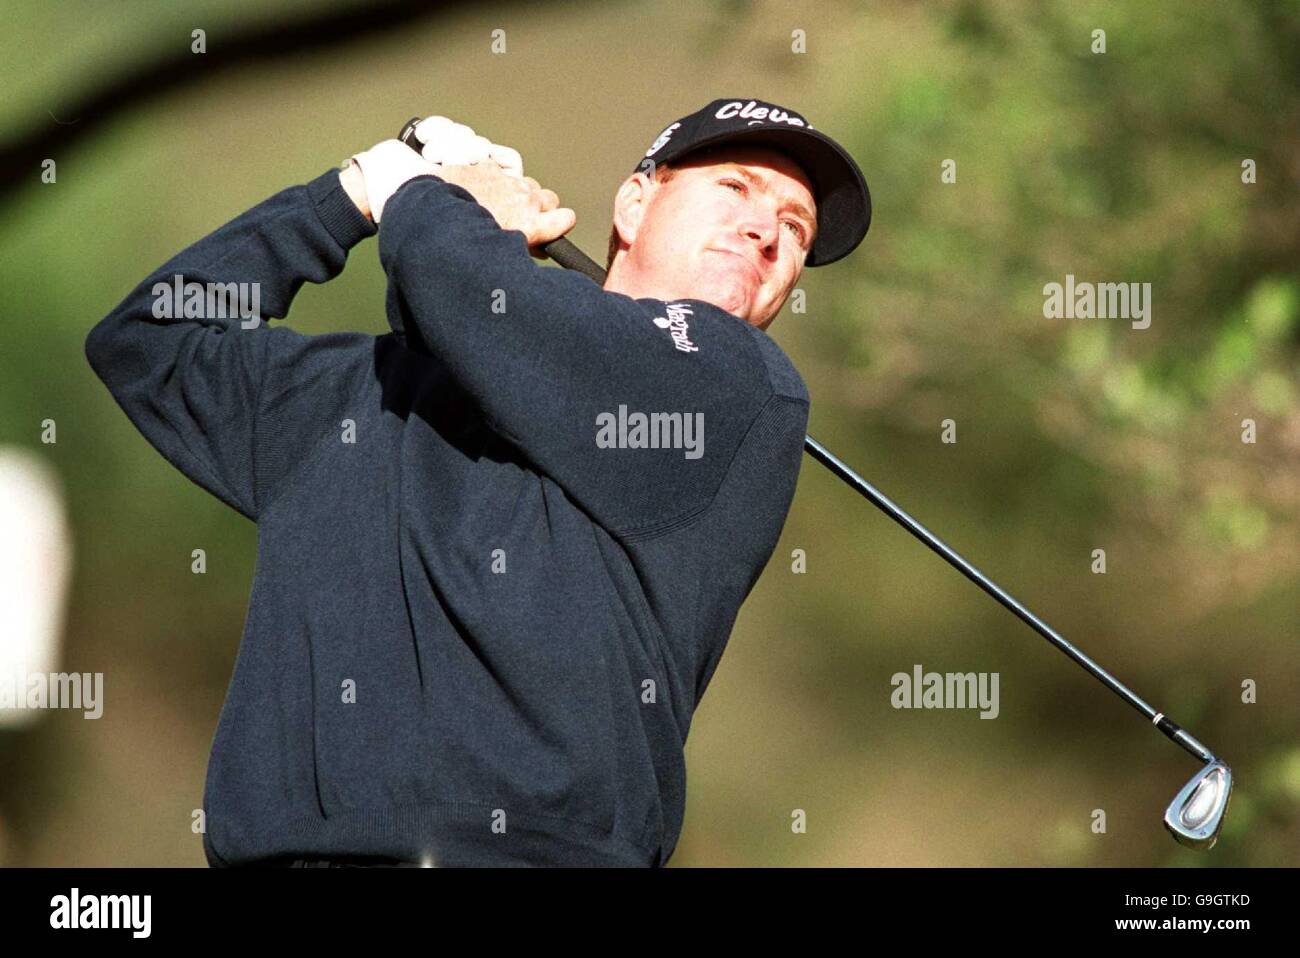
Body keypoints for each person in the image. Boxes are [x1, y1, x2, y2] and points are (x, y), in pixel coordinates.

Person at [84, 97, 870, 867]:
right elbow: (153, 341)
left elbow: (475, 300)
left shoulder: (739, 387)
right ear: (634, 203)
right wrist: (351, 195)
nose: (767, 230)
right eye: (734, 187)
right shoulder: (363, 395)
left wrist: (433, 199)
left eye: (796, 228)